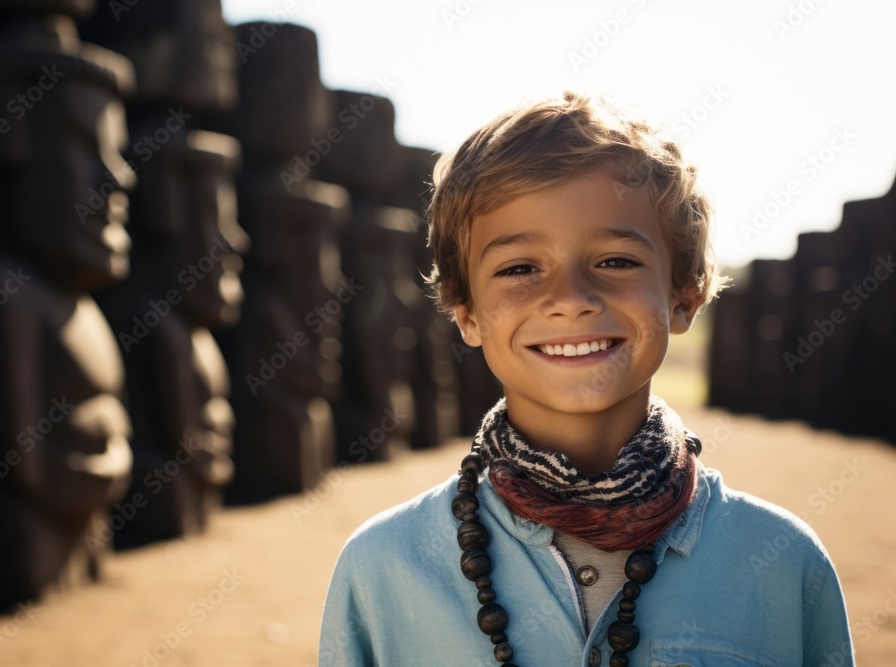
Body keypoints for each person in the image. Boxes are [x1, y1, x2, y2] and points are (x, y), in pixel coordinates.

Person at [318, 93, 854, 666]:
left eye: (616, 261)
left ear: (684, 296)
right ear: (467, 313)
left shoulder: (783, 563)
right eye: (519, 268)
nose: (570, 300)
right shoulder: (382, 567)